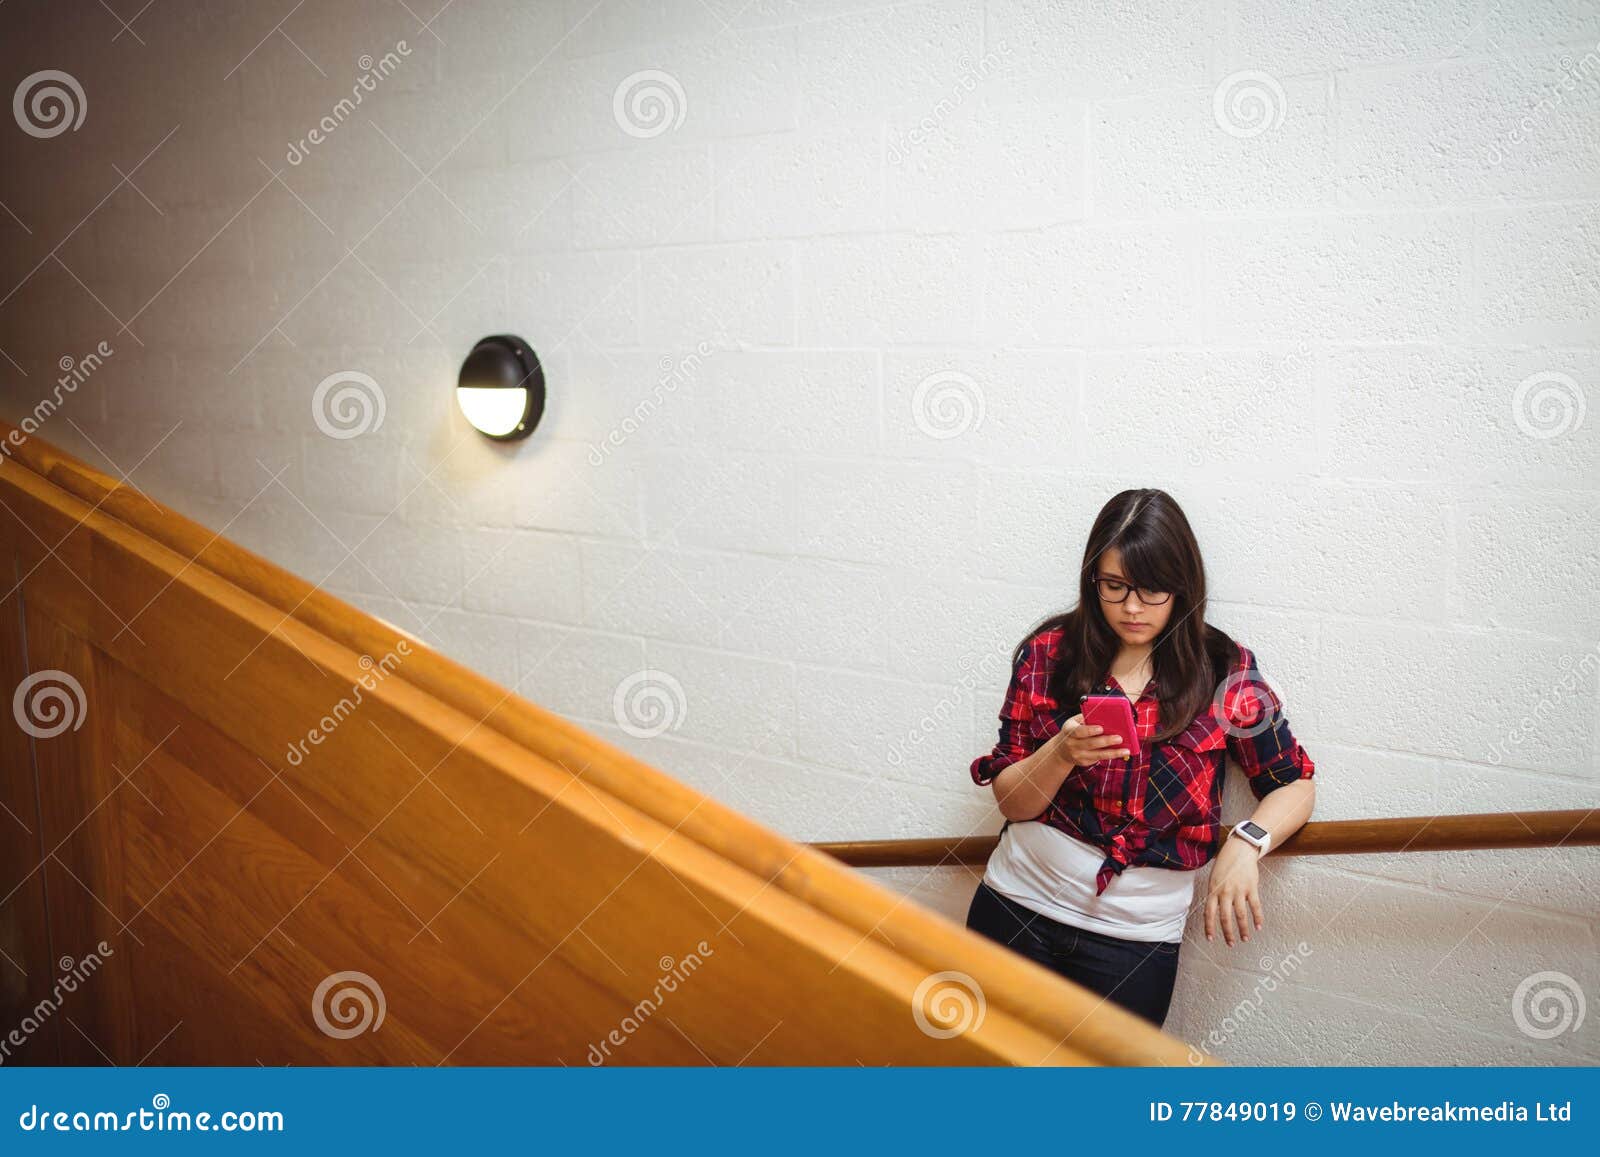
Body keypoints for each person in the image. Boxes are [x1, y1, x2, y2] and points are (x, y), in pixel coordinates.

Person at [965, 488, 1316, 1029]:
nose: (1132, 608)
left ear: (1183, 586)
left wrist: (1247, 844)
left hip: (1133, 942)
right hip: (1015, 908)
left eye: (1152, 589)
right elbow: (1013, 803)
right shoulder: (1049, 652)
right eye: (1114, 587)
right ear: (1093, 580)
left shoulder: (1224, 669)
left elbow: (1293, 783)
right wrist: (1060, 752)